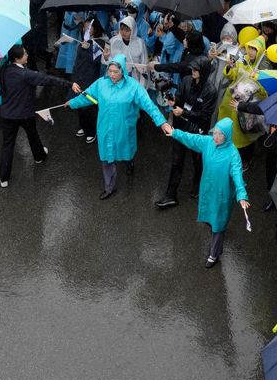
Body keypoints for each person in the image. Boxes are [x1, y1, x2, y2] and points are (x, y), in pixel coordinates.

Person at [68, 54, 168, 199]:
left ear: (123, 71)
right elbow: (87, 96)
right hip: (104, 128)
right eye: (110, 71)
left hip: (124, 128)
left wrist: (162, 122)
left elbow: (149, 106)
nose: (112, 75)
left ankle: (129, 162)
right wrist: (71, 103)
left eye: (116, 72)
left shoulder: (134, 87)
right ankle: (109, 187)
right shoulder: (101, 83)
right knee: (107, 158)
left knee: (126, 151)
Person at [165, 117, 250, 267]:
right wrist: (175, 133)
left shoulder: (233, 154)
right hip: (208, 189)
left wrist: (242, 195)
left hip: (222, 195)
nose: (216, 137)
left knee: (217, 224)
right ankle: (218, 233)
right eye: (215, 133)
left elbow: (237, 175)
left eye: (220, 135)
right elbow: (192, 138)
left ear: (228, 135)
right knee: (211, 220)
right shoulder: (208, 142)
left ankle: (214, 254)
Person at [0, 45, 77, 188]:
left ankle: (3, 177)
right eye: (25, 54)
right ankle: (39, 156)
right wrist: (70, 84)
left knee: (8, 145)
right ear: (17, 58)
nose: (27, 55)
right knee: (32, 135)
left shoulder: (3, 70)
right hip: (25, 114)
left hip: (7, 115)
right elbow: (48, 79)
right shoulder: (26, 74)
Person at [155, 55, 217, 208]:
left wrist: (183, 112)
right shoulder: (186, 80)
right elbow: (180, 97)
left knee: (198, 162)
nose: (192, 71)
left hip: (197, 132)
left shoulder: (211, 91)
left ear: (204, 71)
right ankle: (170, 195)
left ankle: (197, 186)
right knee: (176, 161)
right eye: (192, 68)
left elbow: (204, 116)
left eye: (196, 69)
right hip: (181, 128)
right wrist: (173, 100)